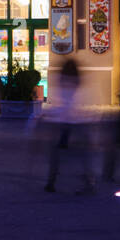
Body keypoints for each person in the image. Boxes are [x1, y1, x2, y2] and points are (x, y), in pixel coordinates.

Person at [44, 58, 93, 193]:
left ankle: (51, 181)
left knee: (56, 154)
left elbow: (59, 104)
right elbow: (82, 102)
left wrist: (48, 115)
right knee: (82, 155)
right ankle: (88, 183)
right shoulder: (79, 83)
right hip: (78, 123)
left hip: (62, 123)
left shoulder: (61, 82)